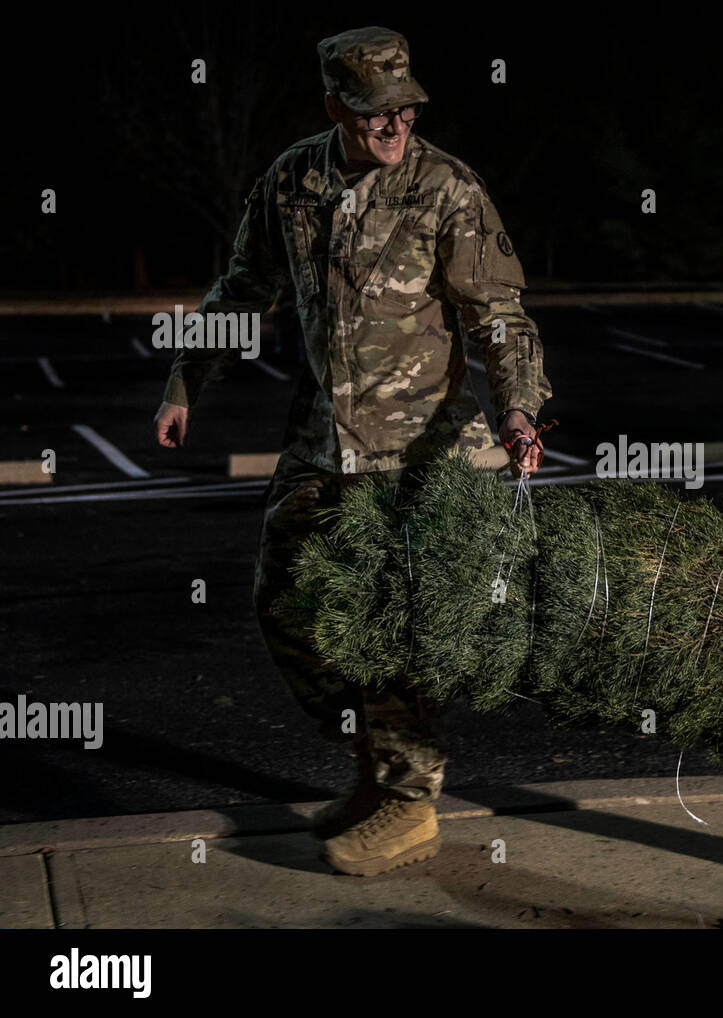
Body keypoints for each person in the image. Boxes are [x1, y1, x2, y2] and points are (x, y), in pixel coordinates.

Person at [152, 26, 552, 876]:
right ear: (336, 106)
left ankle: (409, 800)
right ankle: (375, 766)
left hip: (421, 453)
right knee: (287, 604)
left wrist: (519, 410)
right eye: (375, 113)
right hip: (319, 441)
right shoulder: (292, 180)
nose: (394, 126)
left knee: (395, 624)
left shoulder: (449, 187)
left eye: (406, 110)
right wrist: (186, 381)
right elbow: (242, 288)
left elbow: (501, 317)